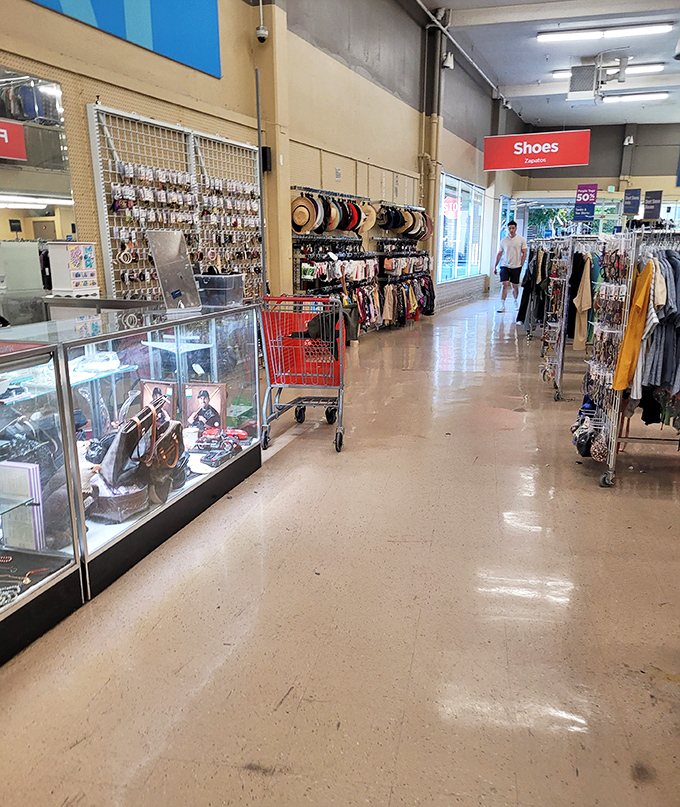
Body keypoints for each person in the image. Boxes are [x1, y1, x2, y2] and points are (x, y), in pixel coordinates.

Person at [494, 220, 527, 313]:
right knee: (504, 284)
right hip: (505, 265)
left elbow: (524, 252)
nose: (511, 230)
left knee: (514, 286)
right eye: (509, 228)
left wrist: (521, 264)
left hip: (516, 266)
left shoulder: (521, 240)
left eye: (513, 228)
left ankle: (515, 301)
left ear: (516, 228)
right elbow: (499, 253)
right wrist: (495, 265)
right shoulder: (504, 241)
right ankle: (502, 304)